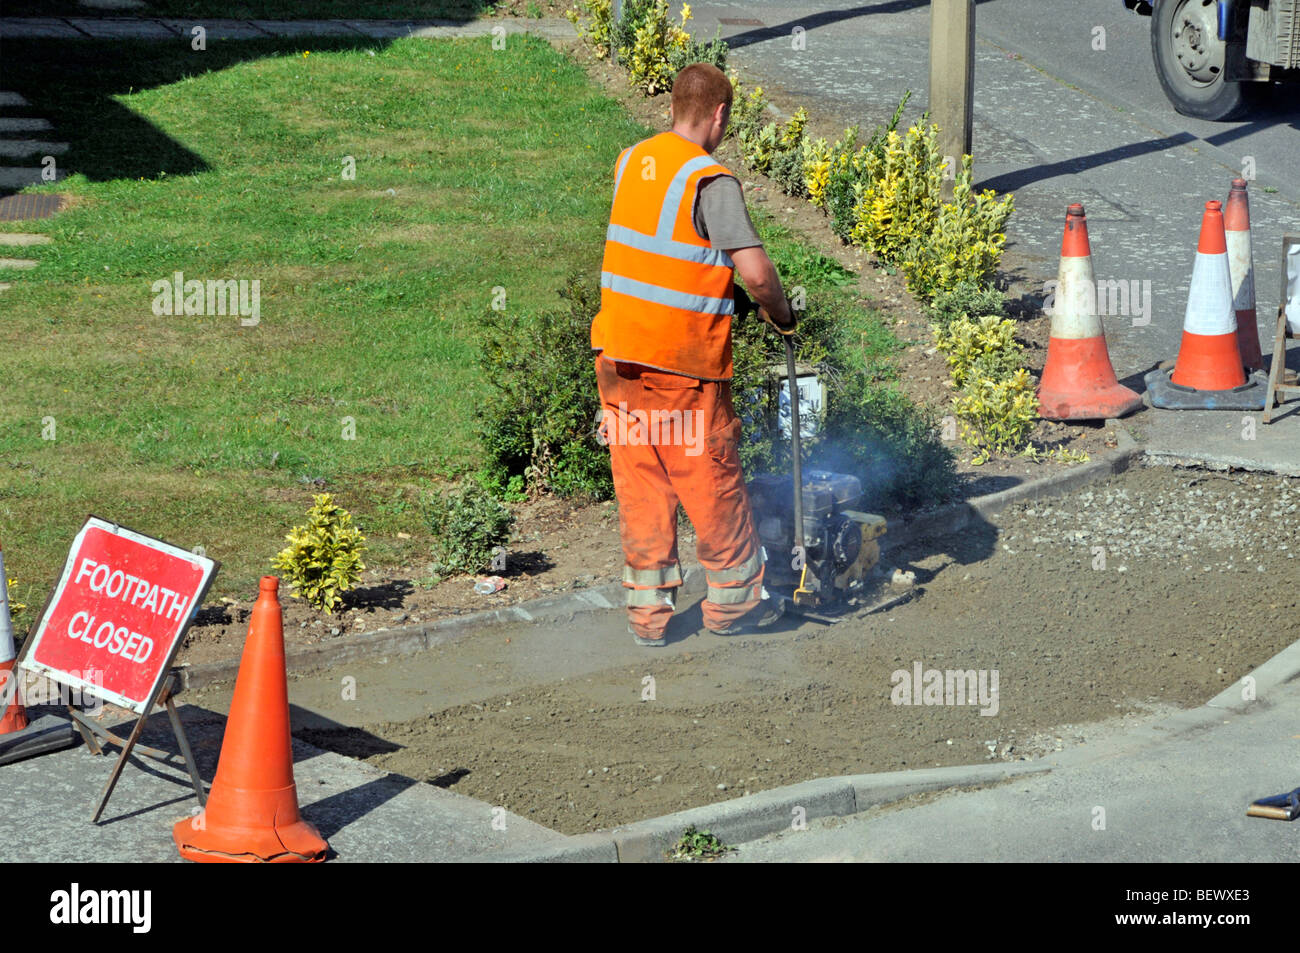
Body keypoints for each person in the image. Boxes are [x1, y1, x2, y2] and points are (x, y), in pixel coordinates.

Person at [591, 62, 797, 646]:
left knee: (643, 489)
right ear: (720, 113)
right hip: (681, 367)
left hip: (619, 359)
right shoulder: (712, 181)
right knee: (711, 486)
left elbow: (659, 253)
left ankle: (648, 621)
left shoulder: (633, 161)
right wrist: (780, 314)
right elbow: (757, 274)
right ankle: (733, 610)